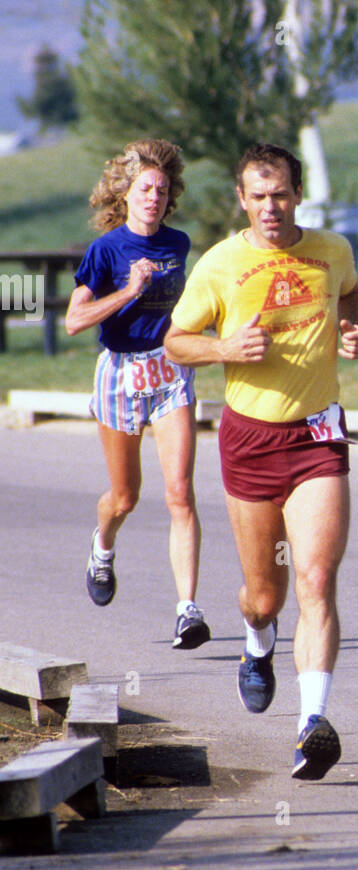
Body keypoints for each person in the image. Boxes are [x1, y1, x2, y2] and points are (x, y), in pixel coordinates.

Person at [164, 143, 358, 780]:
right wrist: (224, 345)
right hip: (250, 440)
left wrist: (352, 332)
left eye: (280, 194)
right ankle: (257, 643)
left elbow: (351, 298)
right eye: (258, 196)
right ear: (242, 200)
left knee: (315, 579)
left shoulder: (333, 250)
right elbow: (175, 340)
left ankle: (313, 723)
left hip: (316, 437)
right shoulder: (222, 263)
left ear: (297, 194)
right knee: (263, 596)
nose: (270, 206)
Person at [65, 138, 210, 649]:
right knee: (125, 497)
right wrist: (127, 291)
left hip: (169, 372)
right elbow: (74, 321)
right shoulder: (105, 251)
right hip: (121, 374)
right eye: (145, 187)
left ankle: (187, 611)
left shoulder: (179, 244)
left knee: (180, 494)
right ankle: (102, 545)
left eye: (162, 190)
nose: (154, 197)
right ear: (126, 193)